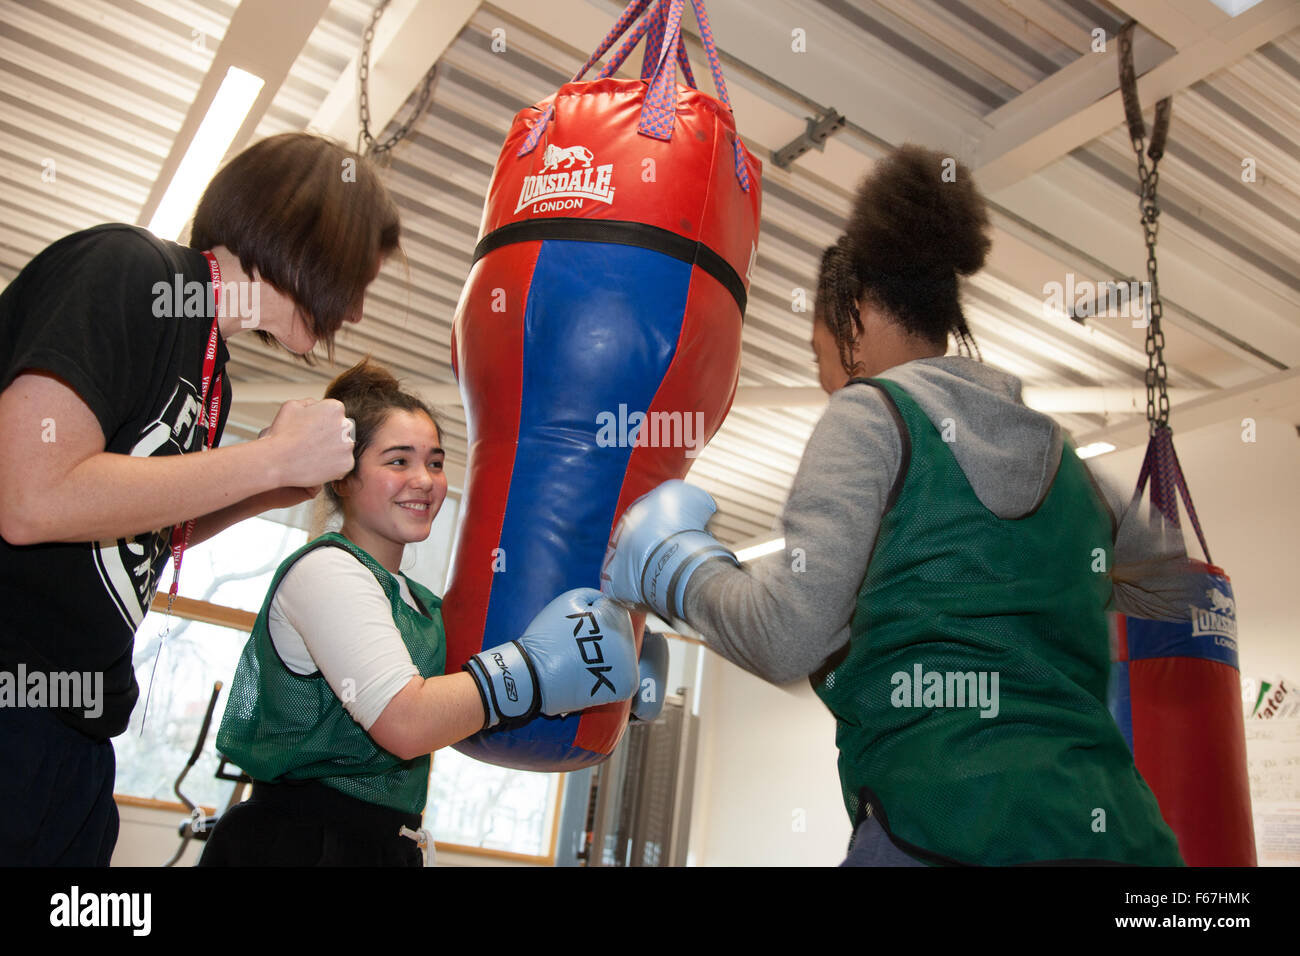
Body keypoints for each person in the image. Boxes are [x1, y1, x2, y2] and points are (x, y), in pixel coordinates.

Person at [601, 144, 1190, 866]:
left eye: (815, 335)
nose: (819, 363)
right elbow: (1172, 583)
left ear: (853, 314)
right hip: (1119, 837)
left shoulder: (870, 415)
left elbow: (787, 637)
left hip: (941, 828)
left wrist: (674, 568)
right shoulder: (1064, 457)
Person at [0, 132, 400, 866]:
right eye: (359, 280)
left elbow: (141, 533)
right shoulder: (130, 267)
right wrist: (267, 456)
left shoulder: (208, 371)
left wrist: (265, 487)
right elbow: (30, 496)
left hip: (74, 740)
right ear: (315, 242)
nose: (357, 310)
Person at [199, 358, 639, 867]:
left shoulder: (422, 604)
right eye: (398, 461)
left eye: (434, 462)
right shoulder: (327, 571)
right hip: (299, 843)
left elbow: (464, 707)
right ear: (343, 478)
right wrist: (538, 667)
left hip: (380, 844)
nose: (425, 480)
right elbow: (407, 721)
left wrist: (596, 671)